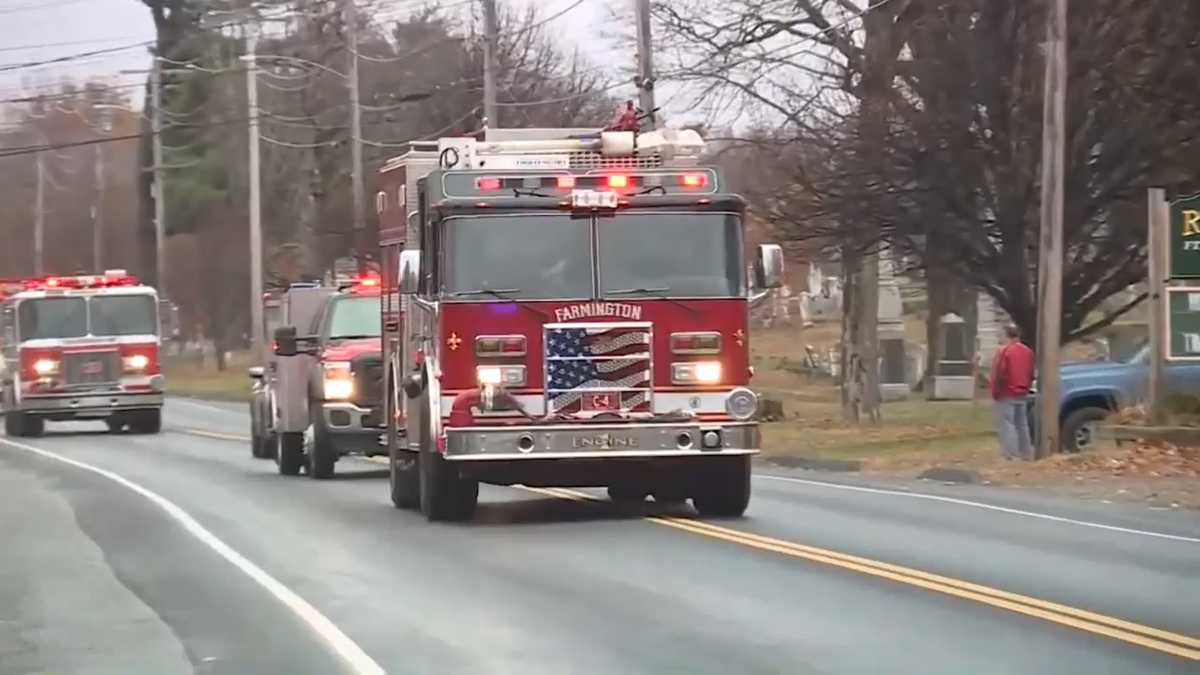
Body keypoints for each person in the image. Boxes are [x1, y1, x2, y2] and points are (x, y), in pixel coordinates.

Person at [989, 323, 1035, 460]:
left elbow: (999, 373)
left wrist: (996, 391)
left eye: (1001, 334)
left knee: (1007, 424)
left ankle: (1010, 454)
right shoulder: (1028, 351)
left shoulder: (1004, 351)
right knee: (1022, 424)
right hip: (1022, 391)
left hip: (1006, 392)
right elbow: (1031, 372)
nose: (1000, 337)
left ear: (1006, 335)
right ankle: (1026, 452)